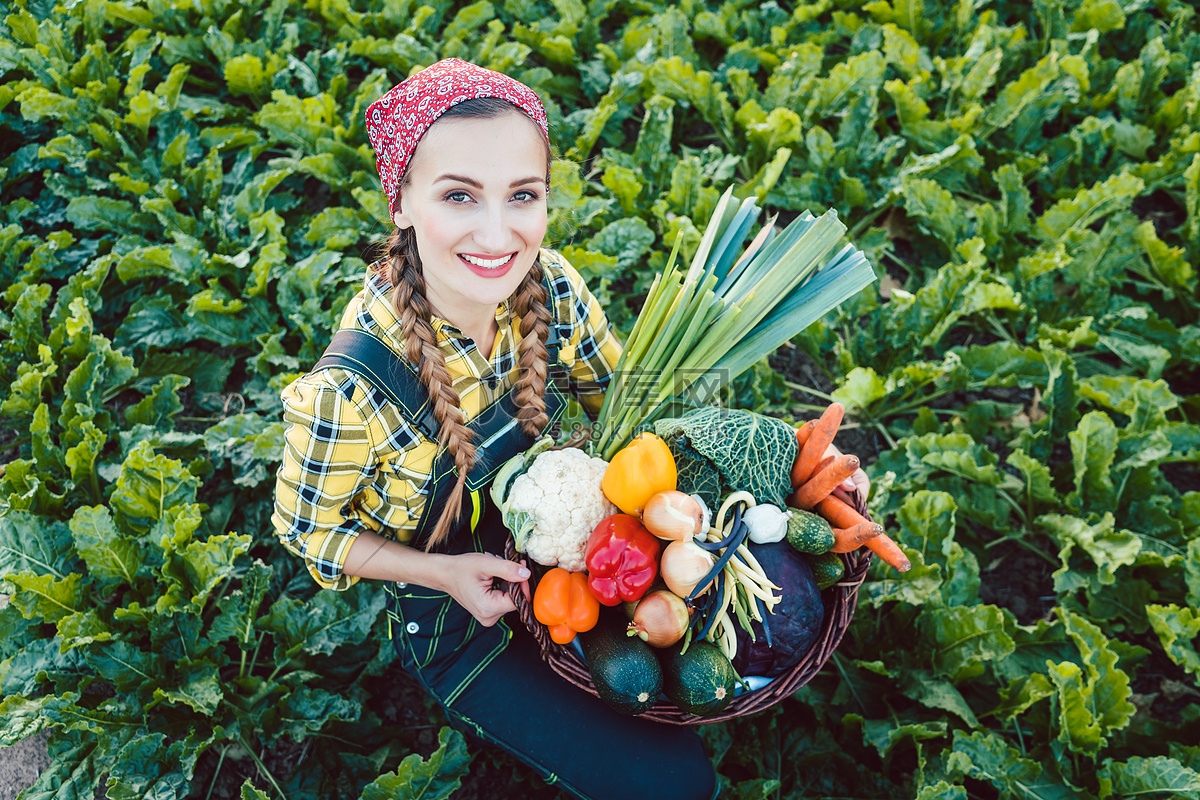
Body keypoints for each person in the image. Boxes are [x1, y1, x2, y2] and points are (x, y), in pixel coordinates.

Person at [271, 58, 868, 800]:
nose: (498, 233)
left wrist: (795, 471)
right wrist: (444, 574)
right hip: (462, 622)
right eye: (460, 195)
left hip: (584, 563)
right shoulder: (347, 393)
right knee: (676, 785)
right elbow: (309, 532)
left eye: (522, 195)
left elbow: (634, 401)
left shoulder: (548, 284)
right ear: (402, 202)